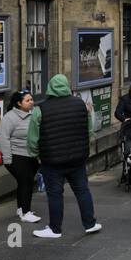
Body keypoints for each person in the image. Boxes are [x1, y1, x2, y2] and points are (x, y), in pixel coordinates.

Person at [28, 74, 102, 238]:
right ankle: (90, 223)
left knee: (55, 194)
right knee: (82, 190)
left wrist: (36, 155)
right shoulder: (80, 105)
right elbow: (89, 130)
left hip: (52, 160)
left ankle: (55, 229)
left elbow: (33, 138)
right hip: (77, 158)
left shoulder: (40, 109)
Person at [0, 90, 40, 223]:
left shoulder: (34, 113)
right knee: (26, 182)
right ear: (19, 103)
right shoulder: (9, 117)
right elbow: (3, 139)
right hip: (17, 156)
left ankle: (21, 208)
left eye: (32, 99)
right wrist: (7, 159)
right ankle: (25, 212)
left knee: (24, 182)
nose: (31, 102)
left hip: (32, 156)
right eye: (27, 100)